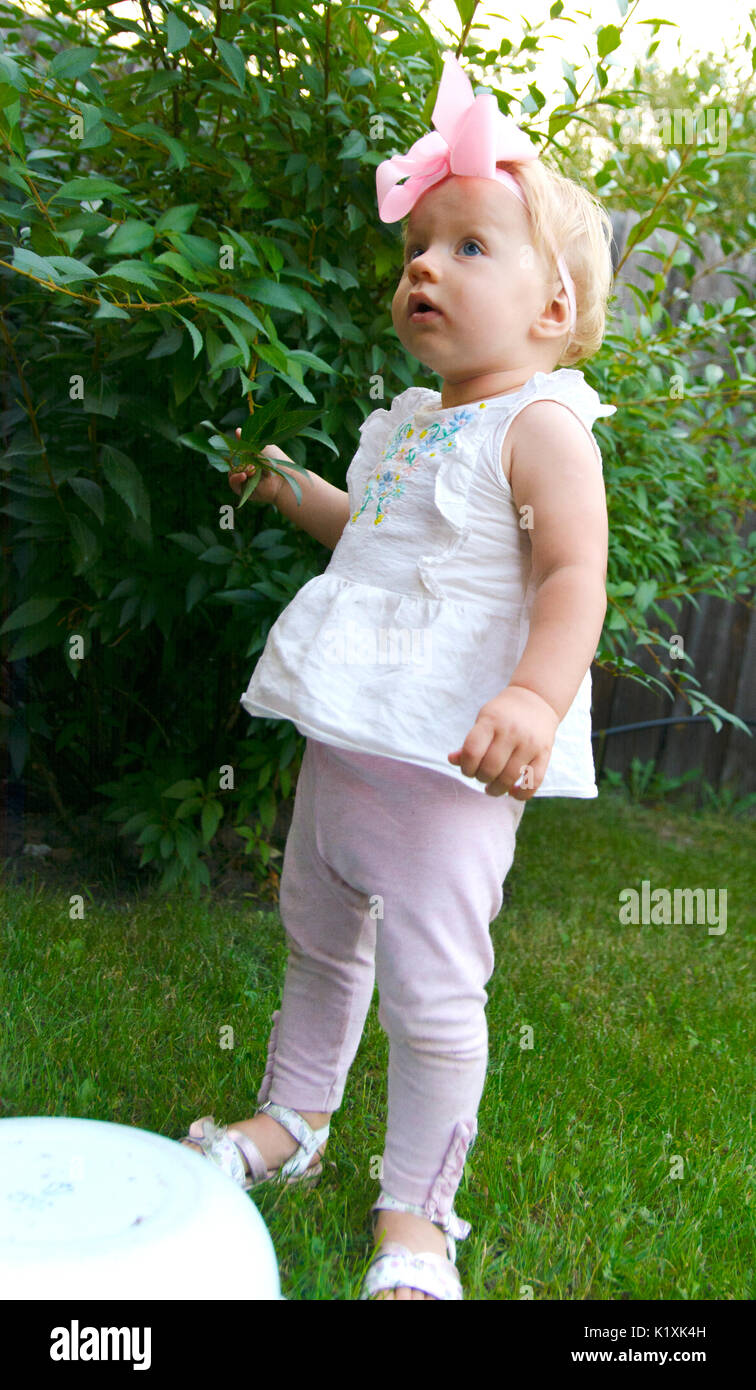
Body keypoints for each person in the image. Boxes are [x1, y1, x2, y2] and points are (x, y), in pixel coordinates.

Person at [180, 53, 617, 1300]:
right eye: (417, 248)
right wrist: (298, 489)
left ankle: (419, 1218)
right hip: (347, 740)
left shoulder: (542, 427)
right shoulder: (406, 424)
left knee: (432, 998)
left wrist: (533, 697)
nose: (424, 266)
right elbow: (373, 536)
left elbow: (571, 577)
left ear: (551, 309)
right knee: (318, 943)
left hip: (448, 766)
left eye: (469, 246)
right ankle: (294, 1120)